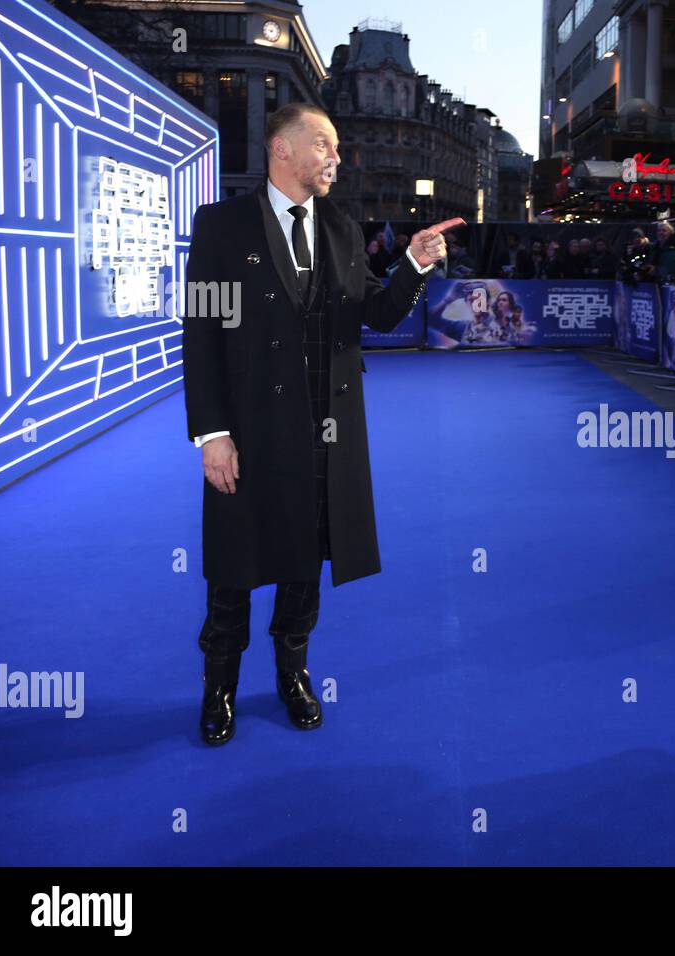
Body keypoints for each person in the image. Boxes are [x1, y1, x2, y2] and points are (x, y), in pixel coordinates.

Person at [182, 102, 463, 745]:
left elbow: (379, 316)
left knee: (304, 562)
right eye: (324, 144)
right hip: (248, 433)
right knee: (234, 565)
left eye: (336, 148)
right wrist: (211, 433)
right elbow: (202, 336)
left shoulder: (340, 226)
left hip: (325, 430)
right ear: (281, 148)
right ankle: (219, 686)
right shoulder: (221, 226)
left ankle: (293, 674)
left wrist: (414, 265)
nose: (337, 157)